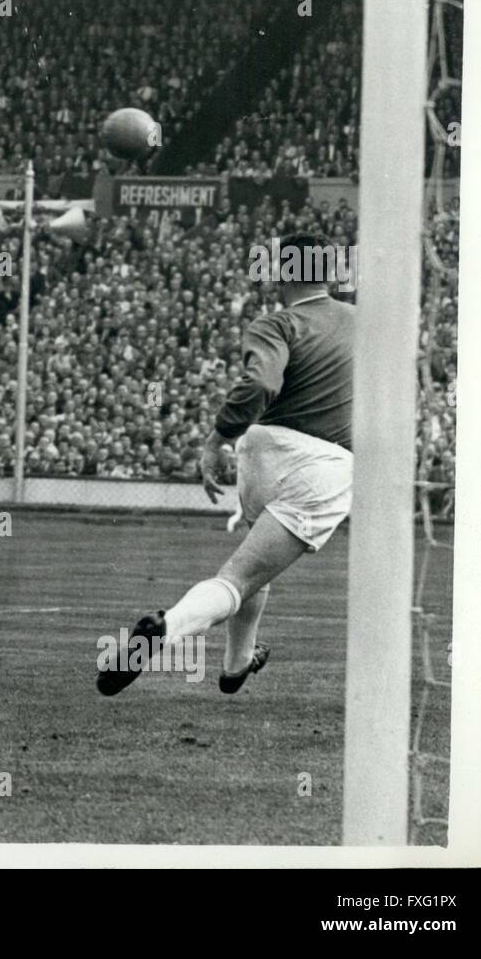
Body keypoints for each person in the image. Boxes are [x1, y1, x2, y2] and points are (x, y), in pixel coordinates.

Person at [96, 234, 355, 696]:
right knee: (238, 579)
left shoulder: (275, 324)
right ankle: (166, 628)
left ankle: (237, 664)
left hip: (260, 452)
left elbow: (258, 385)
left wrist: (218, 439)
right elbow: (262, 384)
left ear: (280, 272)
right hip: (319, 462)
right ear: (332, 272)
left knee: (256, 568)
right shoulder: (363, 324)